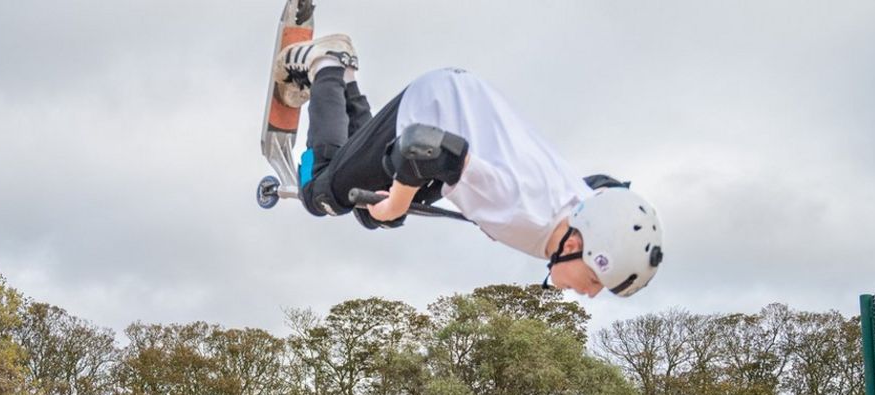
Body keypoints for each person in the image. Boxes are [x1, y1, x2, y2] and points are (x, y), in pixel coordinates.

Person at [274, 34, 663, 298]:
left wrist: (391, 206)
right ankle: (325, 64)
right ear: (575, 245)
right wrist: (397, 202)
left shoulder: (583, 206)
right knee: (323, 194)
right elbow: (420, 147)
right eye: (595, 280)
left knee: (372, 213)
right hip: (433, 115)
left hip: (457, 111)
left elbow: (606, 185)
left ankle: (345, 77)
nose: (592, 293)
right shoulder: (520, 204)